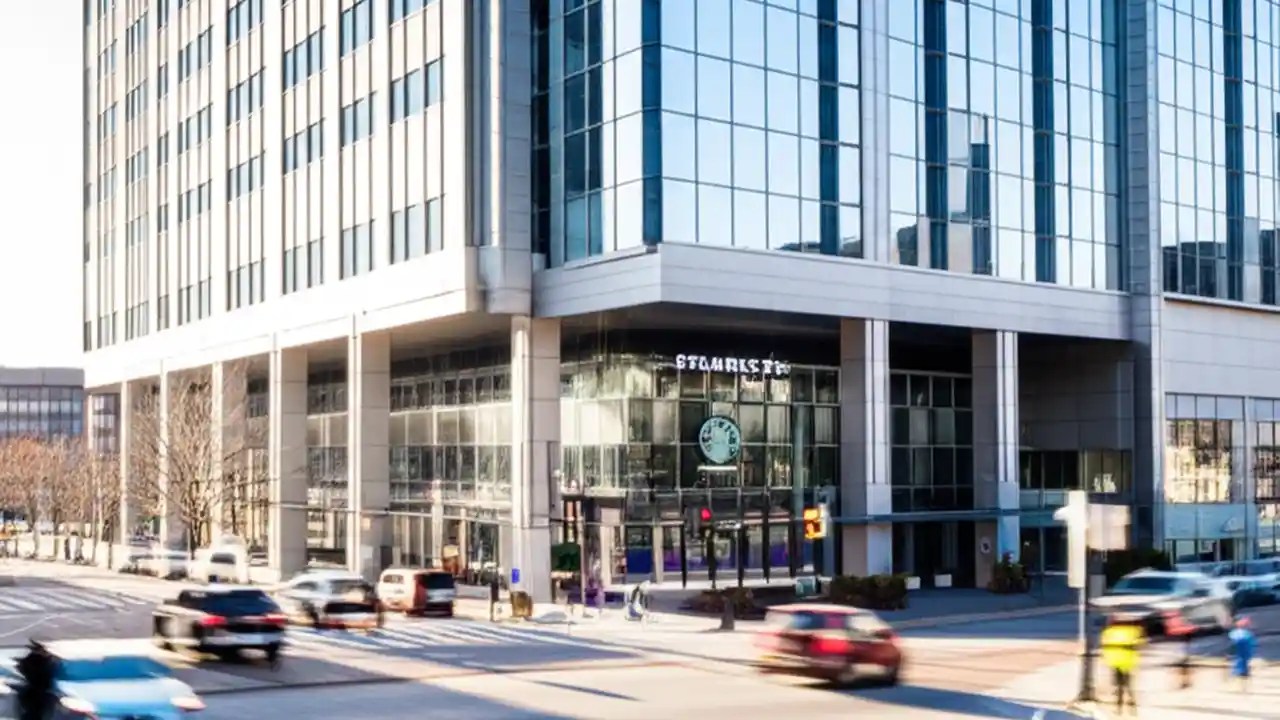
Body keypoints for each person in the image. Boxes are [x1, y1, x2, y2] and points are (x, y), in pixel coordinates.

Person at [1100, 620, 1143, 716]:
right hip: (1128, 661)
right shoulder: (1134, 630)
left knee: (1118, 686)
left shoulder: (1109, 631)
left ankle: (1118, 707)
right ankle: (1132, 707)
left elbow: (1104, 644)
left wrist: (1106, 658)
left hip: (1115, 660)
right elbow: (1139, 643)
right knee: (1129, 686)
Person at [16, 640, 56, 720]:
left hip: (35, 693)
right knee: (35, 672)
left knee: (30, 672)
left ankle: (37, 654)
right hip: (39, 691)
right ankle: (40, 654)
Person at [1229, 616, 1257, 692]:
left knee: (1242, 660)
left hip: (1243, 648)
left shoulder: (1245, 633)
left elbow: (1250, 642)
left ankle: (1241, 674)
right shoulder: (1237, 633)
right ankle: (1240, 674)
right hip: (1241, 648)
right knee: (1242, 660)